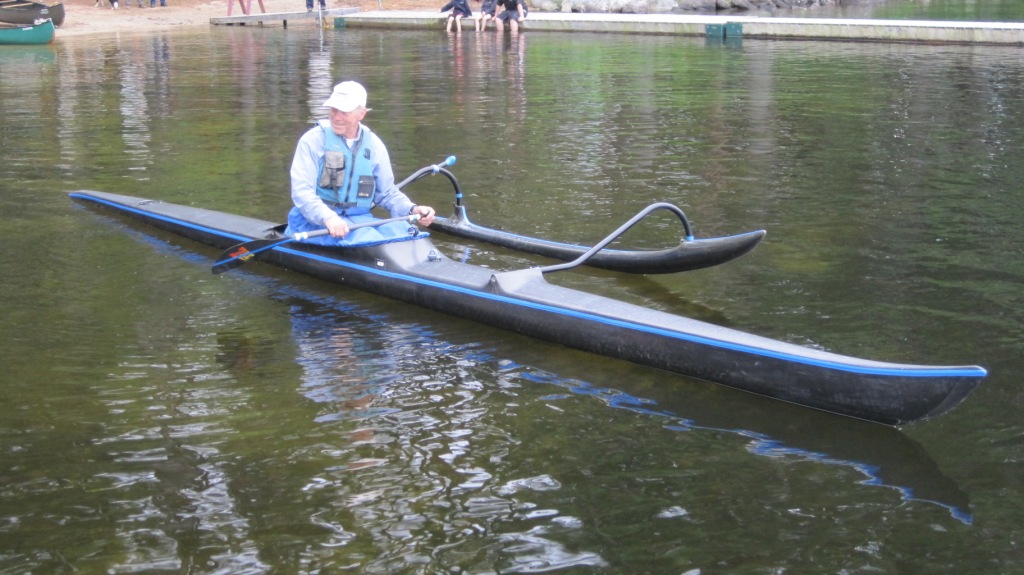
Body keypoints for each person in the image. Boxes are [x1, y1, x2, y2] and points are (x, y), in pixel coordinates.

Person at [286, 81, 436, 248]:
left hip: (358, 221)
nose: (336, 117)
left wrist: (412, 210)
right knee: (365, 237)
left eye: (344, 111)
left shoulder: (374, 145)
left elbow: (386, 194)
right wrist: (329, 218)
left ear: (362, 114)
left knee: (405, 231)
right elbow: (302, 193)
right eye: (333, 109)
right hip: (315, 223)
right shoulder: (312, 141)